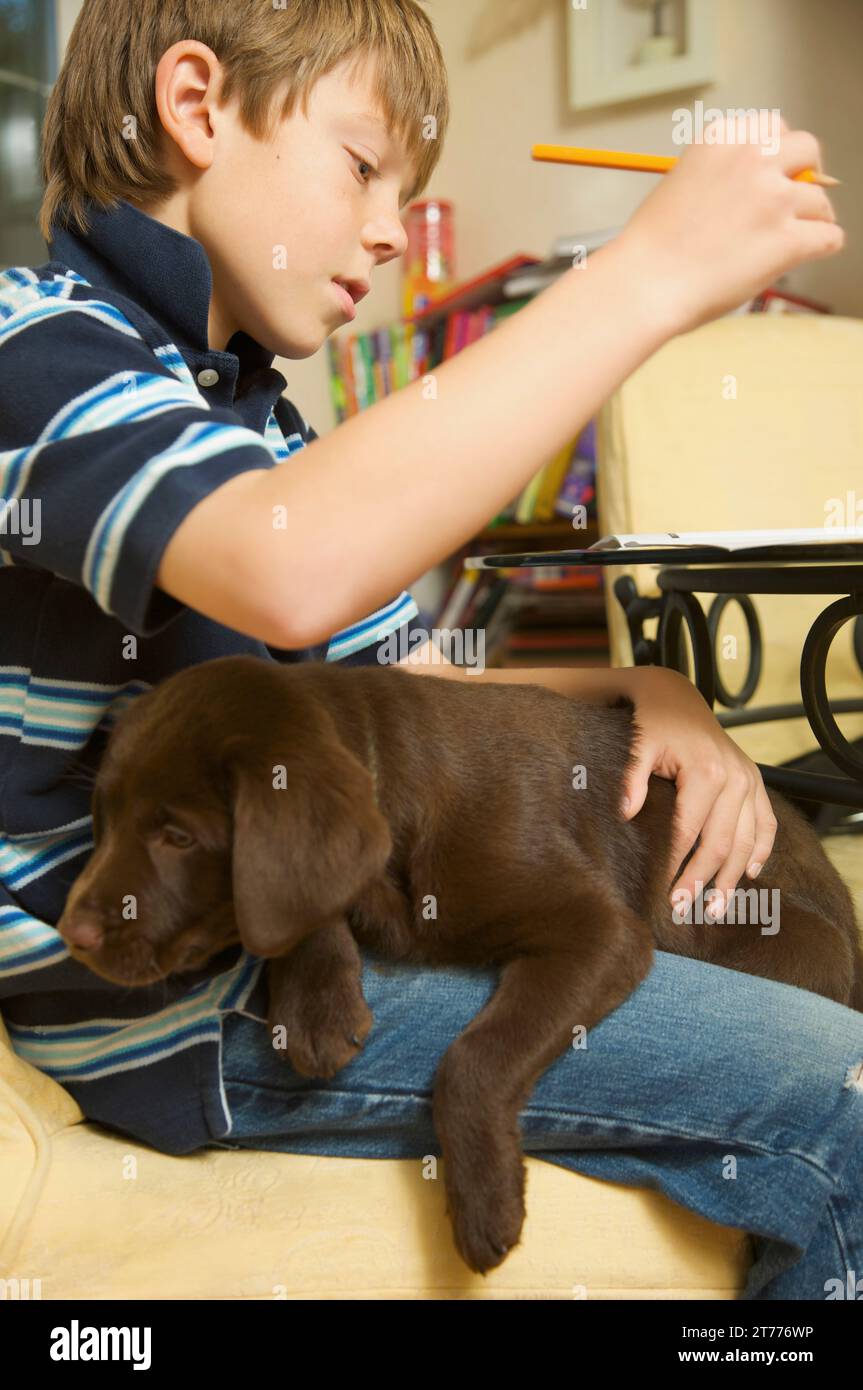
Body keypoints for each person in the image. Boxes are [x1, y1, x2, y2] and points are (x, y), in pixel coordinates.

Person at [0, 0, 858, 1300]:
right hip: (177, 1011)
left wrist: (644, 687)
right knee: (844, 1097)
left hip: (271, 954)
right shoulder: (37, 348)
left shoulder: (259, 422)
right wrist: (645, 274)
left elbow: (412, 694)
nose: (395, 230)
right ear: (193, 107)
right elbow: (289, 565)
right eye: (362, 167)